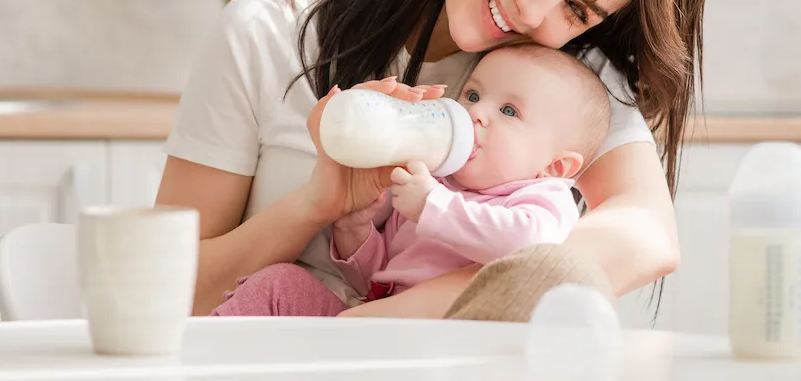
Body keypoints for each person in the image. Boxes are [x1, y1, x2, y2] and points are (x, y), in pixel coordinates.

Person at [157, 0, 722, 318]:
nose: (533, 12)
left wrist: (377, 327)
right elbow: (163, 291)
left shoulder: (565, 80)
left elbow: (647, 236)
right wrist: (314, 208)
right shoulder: (266, 35)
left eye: (577, 9)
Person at [208, 44, 612, 317]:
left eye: (509, 111)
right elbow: (377, 278)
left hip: (442, 343)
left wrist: (433, 206)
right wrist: (355, 228)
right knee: (281, 283)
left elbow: (531, 246)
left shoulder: (541, 197)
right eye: (473, 96)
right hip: (371, 322)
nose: (476, 113)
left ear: (555, 166)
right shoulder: (434, 180)